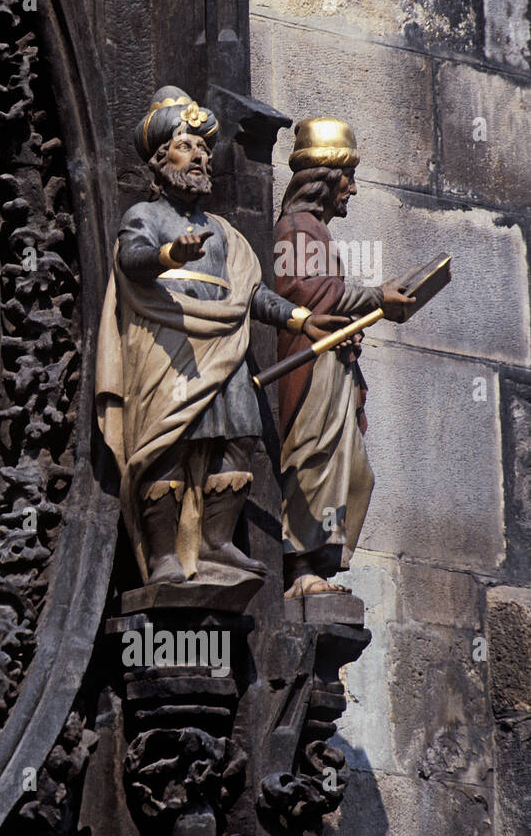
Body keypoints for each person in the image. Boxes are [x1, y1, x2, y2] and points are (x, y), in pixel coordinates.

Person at [96, 87, 347, 586]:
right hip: (166, 344)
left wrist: (300, 319)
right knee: (165, 444)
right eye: (187, 146)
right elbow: (130, 262)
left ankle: (216, 543)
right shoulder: (145, 218)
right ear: (159, 157)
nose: (200, 158)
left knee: (239, 439)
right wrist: (170, 256)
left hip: (224, 346)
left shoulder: (222, 230)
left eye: (204, 150)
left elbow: (250, 293)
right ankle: (165, 555)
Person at [273, 118, 413, 598]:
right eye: (347, 176)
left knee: (353, 471)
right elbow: (305, 291)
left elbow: (325, 292)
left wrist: (374, 303)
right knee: (314, 457)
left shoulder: (316, 232)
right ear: (325, 180)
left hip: (333, 366)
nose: (352, 188)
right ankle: (300, 567)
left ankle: (320, 561)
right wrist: (376, 297)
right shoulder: (296, 227)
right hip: (309, 366)